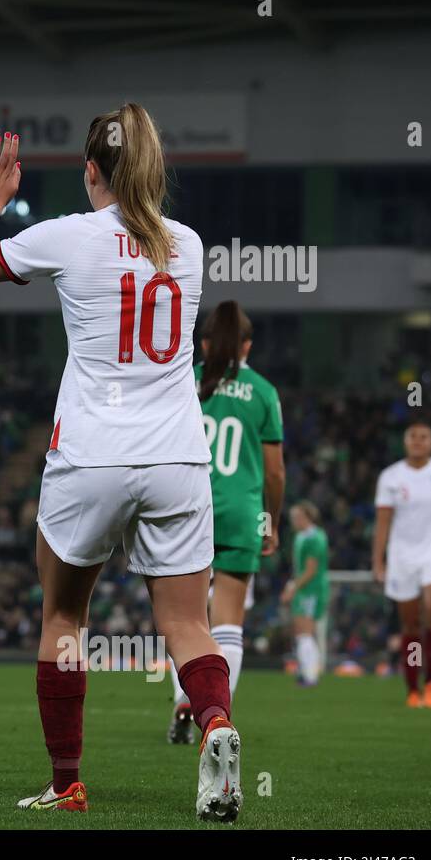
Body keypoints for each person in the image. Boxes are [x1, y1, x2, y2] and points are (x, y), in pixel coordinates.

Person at [0, 104, 239, 821]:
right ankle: (217, 725)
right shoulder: (191, 244)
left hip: (92, 455)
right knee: (187, 623)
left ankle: (68, 782)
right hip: (177, 452)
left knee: (64, 617)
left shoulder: (69, 237)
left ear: (90, 171)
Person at [168, 301, 284, 742]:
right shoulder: (263, 392)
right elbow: (275, 472)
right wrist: (270, 521)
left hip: (185, 507)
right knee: (228, 622)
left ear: (204, 343)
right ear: (248, 346)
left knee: (183, 620)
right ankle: (214, 719)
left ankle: (183, 700)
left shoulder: (181, 382)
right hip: (241, 514)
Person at [373, 420, 431, 708]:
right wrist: (379, 559)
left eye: (424, 436)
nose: (418, 440)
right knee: (411, 624)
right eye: (413, 436)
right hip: (402, 556)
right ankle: (413, 687)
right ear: (405, 442)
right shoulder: (391, 476)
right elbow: (383, 522)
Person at [281, 501, 329, 687]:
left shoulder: (315, 538)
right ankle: (306, 671)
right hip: (305, 589)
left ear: (305, 517)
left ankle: (310, 675)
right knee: (302, 632)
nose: (293, 521)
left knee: (305, 633)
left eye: (296, 517)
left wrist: (292, 587)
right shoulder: (302, 537)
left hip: (311, 590)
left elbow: (310, 570)